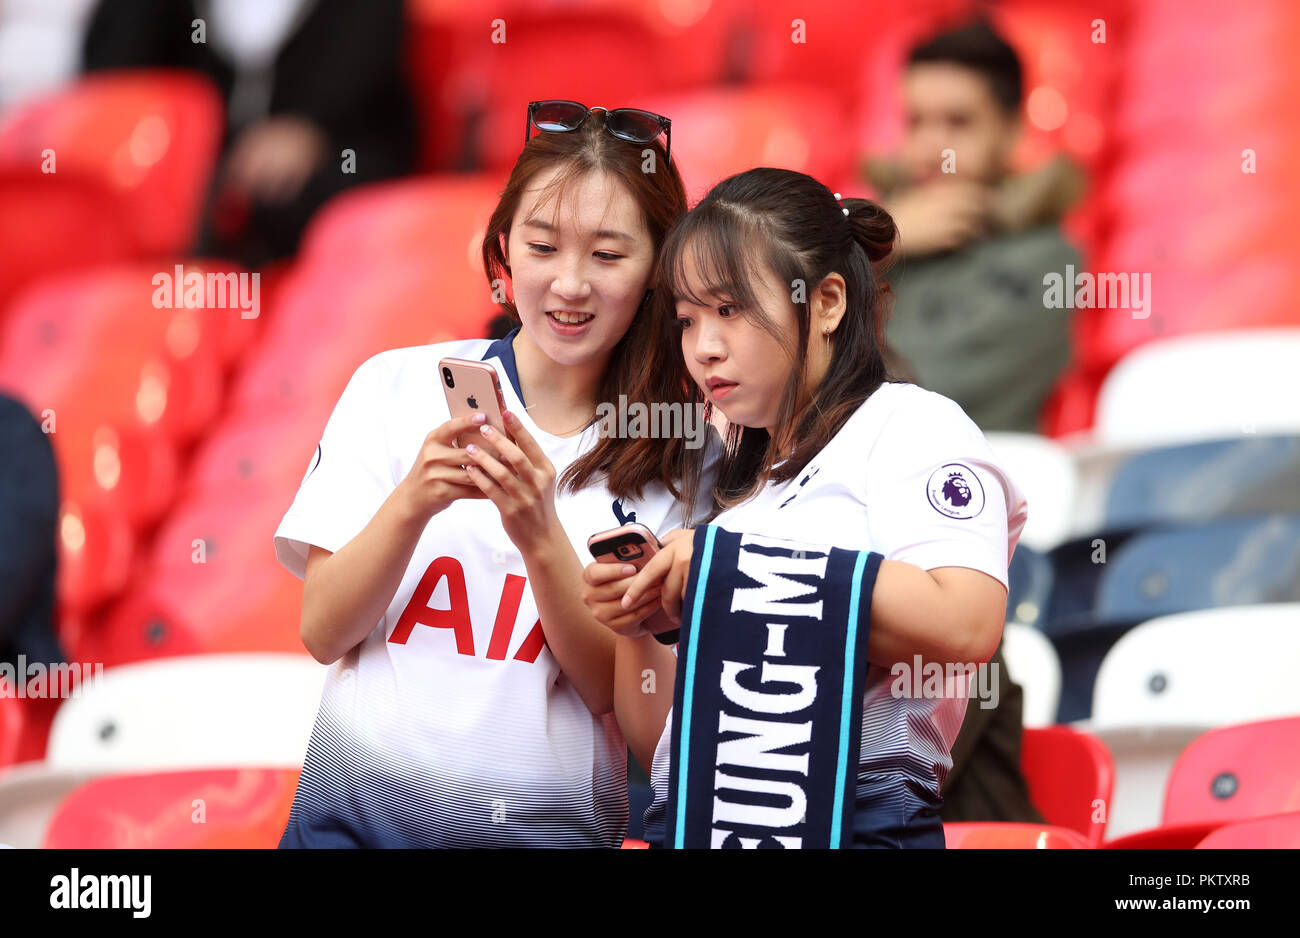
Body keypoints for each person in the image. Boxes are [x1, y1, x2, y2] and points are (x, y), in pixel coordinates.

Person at [272, 102, 716, 847]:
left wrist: (542, 535)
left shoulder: (681, 452)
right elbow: (323, 630)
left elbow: (621, 696)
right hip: (347, 829)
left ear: (656, 272)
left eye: (608, 256)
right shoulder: (396, 384)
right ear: (504, 249)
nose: (569, 284)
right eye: (543, 246)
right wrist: (413, 502)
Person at [582, 167, 1029, 847]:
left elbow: (965, 623)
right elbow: (660, 751)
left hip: (858, 826)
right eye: (686, 320)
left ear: (825, 303)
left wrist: (736, 570)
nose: (703, 347)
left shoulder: (913, 426)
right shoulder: (732, 491)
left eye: (729, 310)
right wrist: (638, 626)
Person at [867, 18, 1083, 433]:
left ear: (1012, 132)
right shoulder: (872, 235)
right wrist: (880, 239)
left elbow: (929, 395)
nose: (931, 147)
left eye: (958, 122)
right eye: (916, 122)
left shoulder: (1050, 261)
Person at [82, 0, 418, 266]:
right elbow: (113, 78)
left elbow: (369, 67)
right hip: (203, 170)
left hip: (337, 158)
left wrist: (310, 126)